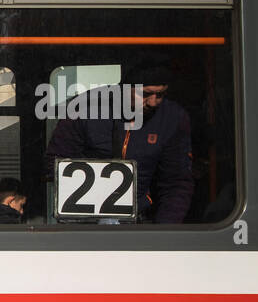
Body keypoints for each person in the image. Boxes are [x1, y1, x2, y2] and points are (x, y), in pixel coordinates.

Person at [44, 69, 193, 223]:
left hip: (142, 221)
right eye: (146, 94)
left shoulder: (172, 117)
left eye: (160, 95)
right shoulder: (85, 108)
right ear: (125, 88)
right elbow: (55, 163)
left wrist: (165, 232)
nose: (153, 102)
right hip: (83, 222)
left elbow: (176, 181)